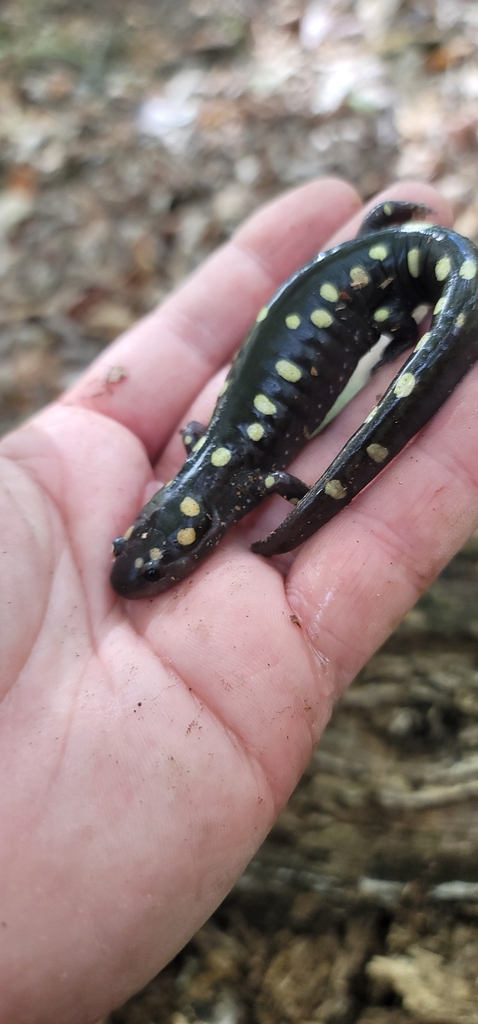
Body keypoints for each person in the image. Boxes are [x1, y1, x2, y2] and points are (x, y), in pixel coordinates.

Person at [1, 178, 477, 1023]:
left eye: (155, 563)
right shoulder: (222, 472)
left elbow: (264, 473)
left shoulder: (241, 477)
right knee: (375, 326)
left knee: (396, 336)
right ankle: (387, 251)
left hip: (399, 273)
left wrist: (304, 502)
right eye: (147, 559)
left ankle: (396, 266)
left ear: (190, 532)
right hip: (376, 272)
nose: (147, 573)